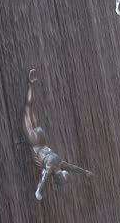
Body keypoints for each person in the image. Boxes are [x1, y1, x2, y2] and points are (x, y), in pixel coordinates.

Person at [23, 69, 94, 200]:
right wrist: (38, 191)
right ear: (57, 178)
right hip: (35, 142)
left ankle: (32, 85)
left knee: (31, 111)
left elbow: (73, 167)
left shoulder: (60, 163)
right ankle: (31, 84)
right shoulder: (51, 167)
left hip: (42, 139)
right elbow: (44, 178)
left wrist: (85, 172)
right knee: (28, 109)